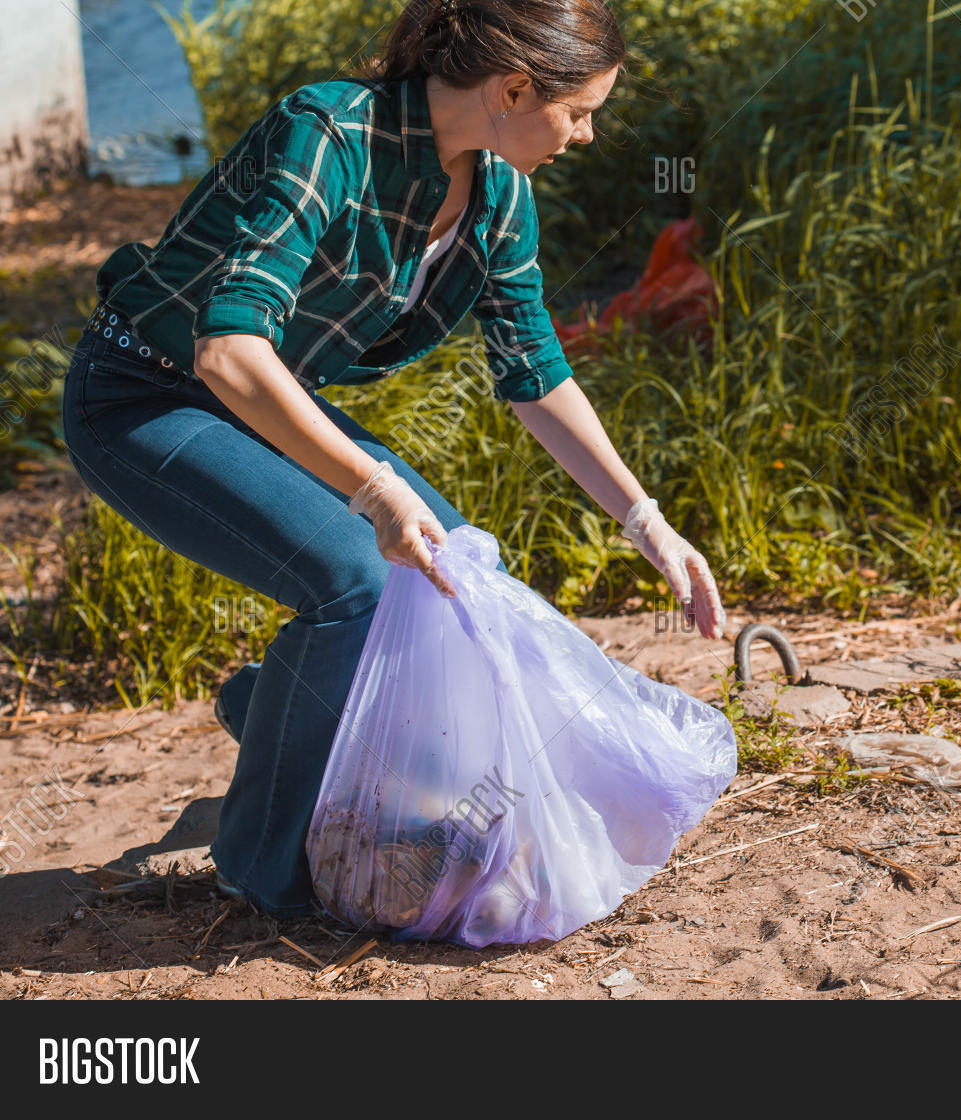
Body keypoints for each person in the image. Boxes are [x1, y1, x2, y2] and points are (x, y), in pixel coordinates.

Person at [60, 0, 726, 918]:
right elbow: (228, 351)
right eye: (578, 112)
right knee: (360, 585)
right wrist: (373, 489)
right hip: (143, 392)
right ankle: (261, 871)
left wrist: (647, 522)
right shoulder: (328, 133)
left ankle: (271, 709)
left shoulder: (499, 198)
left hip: (261, 402)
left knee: (457, 580)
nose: (586, 135)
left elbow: (534, 372)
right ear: (514, 89)